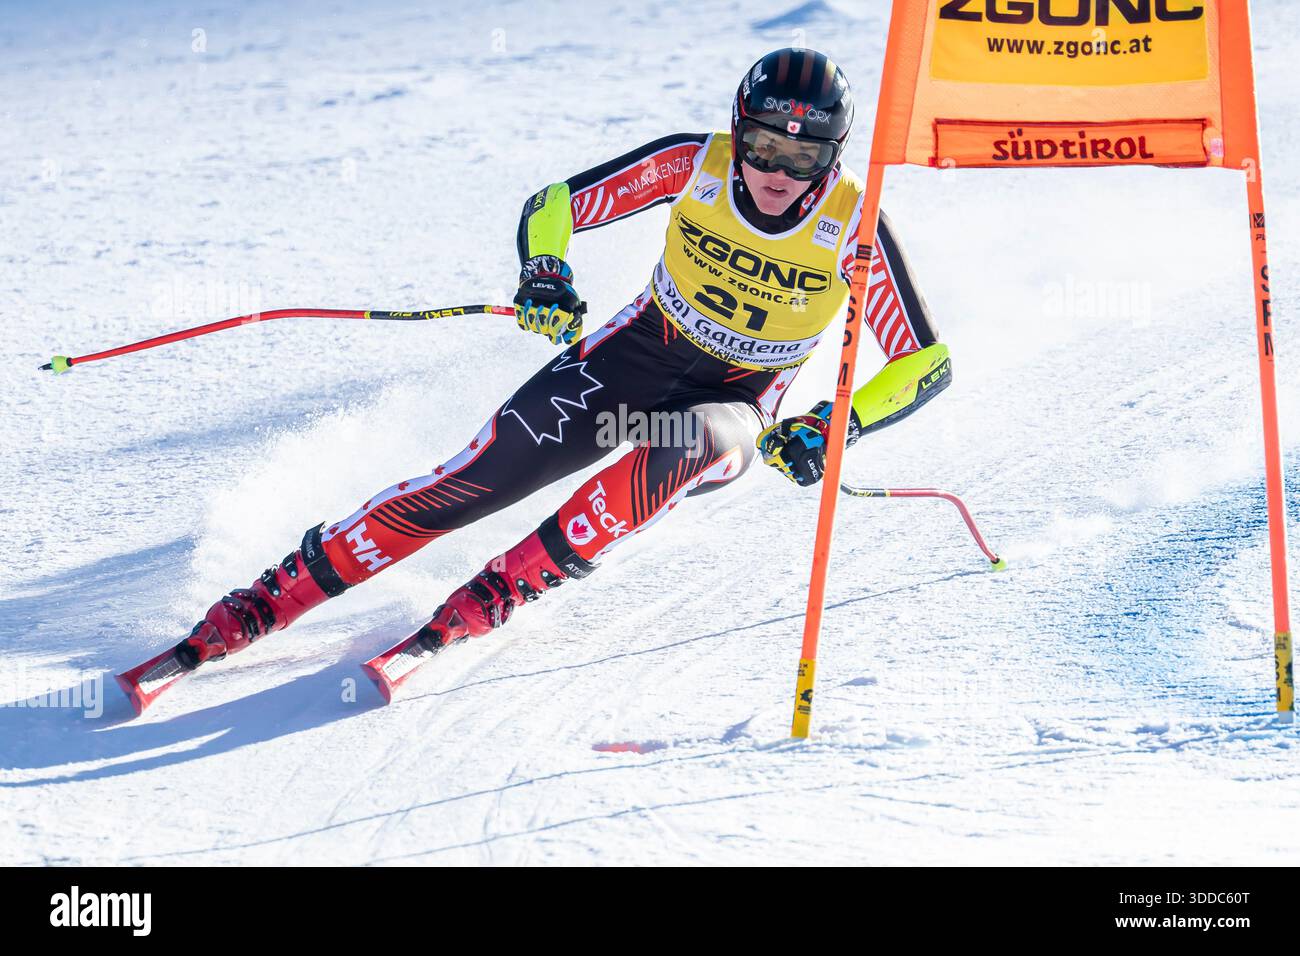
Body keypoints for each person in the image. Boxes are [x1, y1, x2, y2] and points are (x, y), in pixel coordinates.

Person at [171, 48, 950, 672]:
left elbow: (924, 361)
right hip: (632, 359)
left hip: (739, 403)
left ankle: (505, 587)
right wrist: (545, 271)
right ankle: (279, 593)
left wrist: (829, 426)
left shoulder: (854, 222)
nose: (778, 172)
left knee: (690, 445)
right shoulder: (694, 164)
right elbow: (557, 204)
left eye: (804, 157)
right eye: (763, 146)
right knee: (475, 479)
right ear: (738, 130)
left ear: (834, 156)